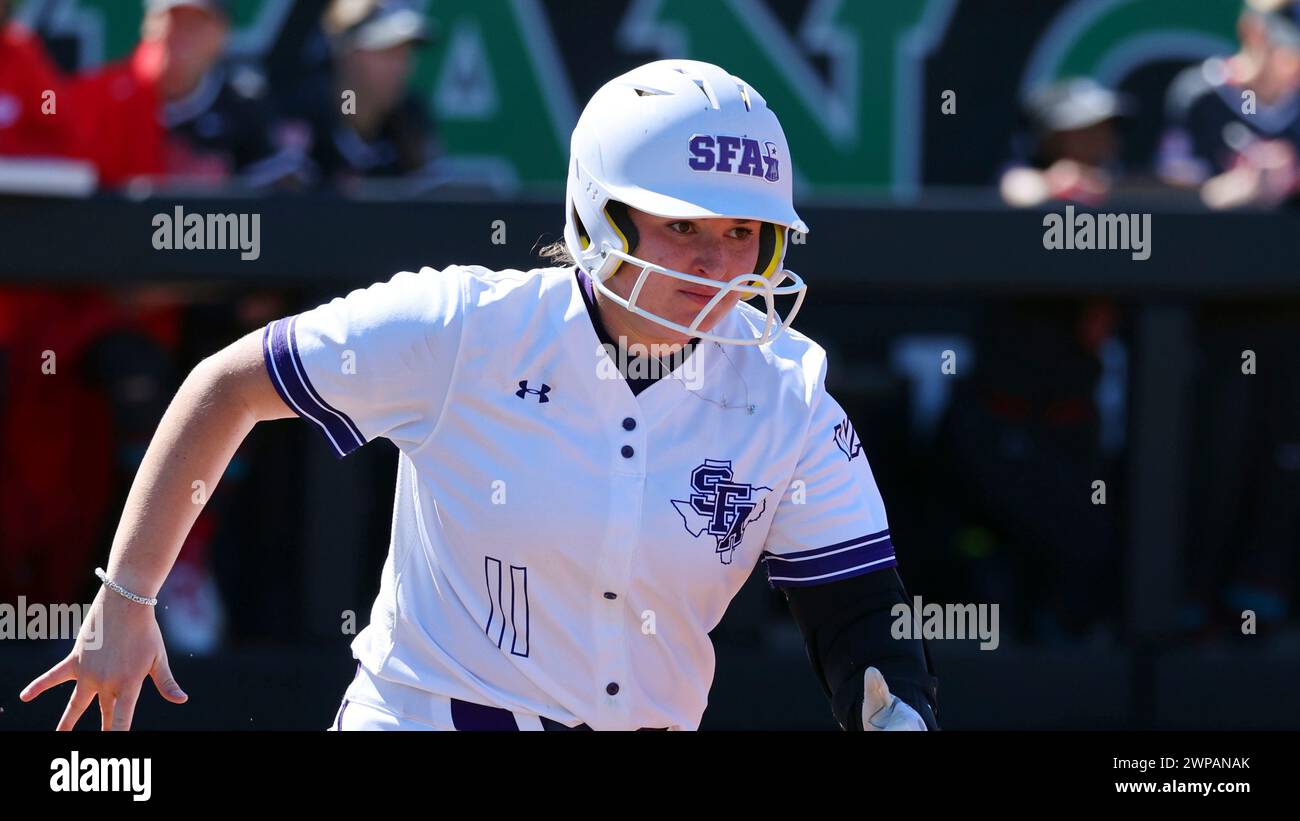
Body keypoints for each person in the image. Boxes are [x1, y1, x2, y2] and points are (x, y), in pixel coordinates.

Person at [19, 60, 938, 732]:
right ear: (597, 216)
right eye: (683, 225)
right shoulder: (465, 325)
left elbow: (858, 616)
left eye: (744, 233)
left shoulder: (789, 394)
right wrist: (128, 594)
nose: (716, 262)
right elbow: (226, 385)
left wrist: (899, 719)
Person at [1157, 0, 1300, 208]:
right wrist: (1225, 190)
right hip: (1212, 235)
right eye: (1287, 47)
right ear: (1253, 32)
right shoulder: (1200, 95)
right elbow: (1166, 185)